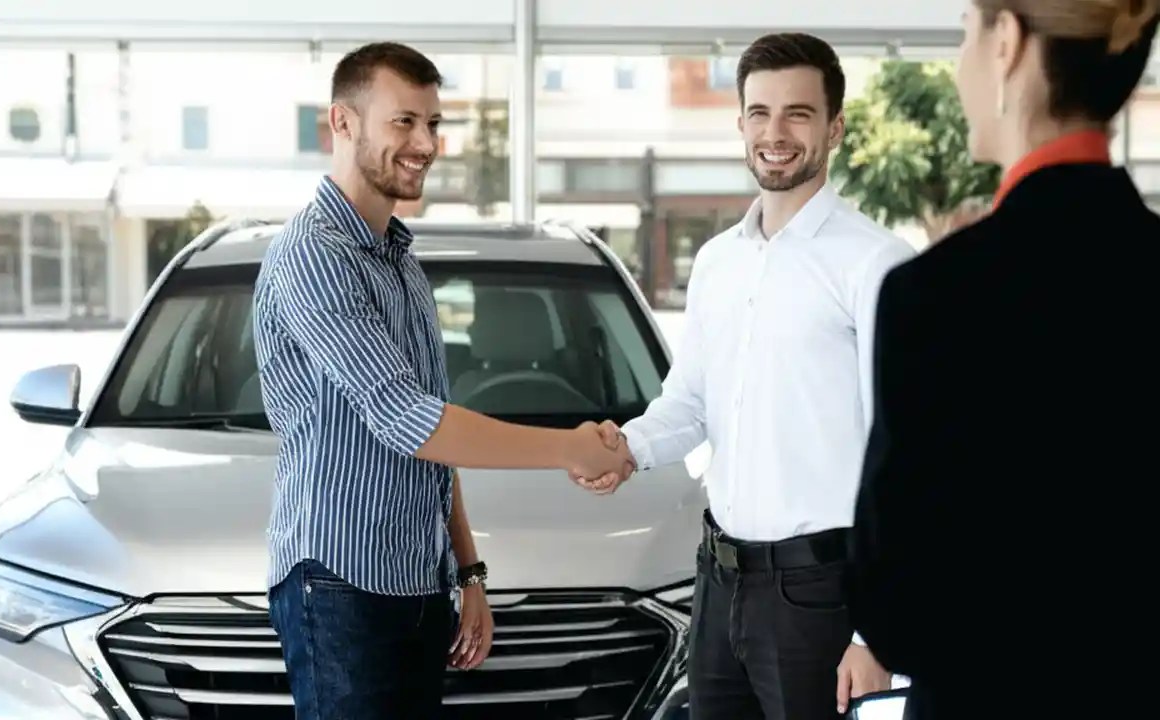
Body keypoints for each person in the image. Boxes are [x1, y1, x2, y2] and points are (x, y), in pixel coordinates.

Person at [251, 42, 632, 720]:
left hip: (417, 582)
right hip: (343, 583)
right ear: (342, 123)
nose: (426, 142)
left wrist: (468, 572)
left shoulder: (398, 258)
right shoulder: (313, 255)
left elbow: (436, 426)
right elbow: (406, 418)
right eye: (404, 122)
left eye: (433, 122)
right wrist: (570, 448)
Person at [583, 32, 917, 719]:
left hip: (821, 594)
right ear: (740, 123)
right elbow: (691, 405)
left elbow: (906, 452)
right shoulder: (716, 262)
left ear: (835, 128)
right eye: (759, 112)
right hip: (720, 582)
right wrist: (627, 450)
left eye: (798, 113)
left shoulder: (877, 264)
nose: (776, 132)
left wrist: (873, 633)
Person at [846, 2, 1160, 718]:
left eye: (966, 31)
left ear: (1007, 42)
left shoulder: (936, 296)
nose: (959, 62)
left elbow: (895, 607)